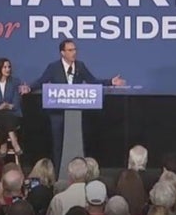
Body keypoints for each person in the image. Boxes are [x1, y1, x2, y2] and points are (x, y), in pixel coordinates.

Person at [20, 39, 126, 168]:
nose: (74, 53)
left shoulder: (80, 66)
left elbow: (92, 81)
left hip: (76, 114)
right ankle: (59, 174)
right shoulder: (53, 67)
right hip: (57, 114)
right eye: (70, 50)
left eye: (75, 50)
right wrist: (29, 88)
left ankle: (79, 172)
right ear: (62, 53)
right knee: (58, 145)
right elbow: (41, 81)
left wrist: (110, 82)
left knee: (76, 142)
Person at [0, 58, 24, 155]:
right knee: (2, 115)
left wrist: (6, 106)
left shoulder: (15, 82)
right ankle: (14, 142)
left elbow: (16, 103)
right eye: (5, 67)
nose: (8, 69)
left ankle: (3, 145)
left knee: (5, 115)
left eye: (9, 67)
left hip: (13, 114)